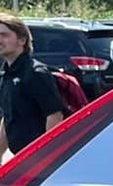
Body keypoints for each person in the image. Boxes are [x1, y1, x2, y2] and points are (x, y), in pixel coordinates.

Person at [0, 13, 67, 160]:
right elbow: (8, 117)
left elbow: (55, 115)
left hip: (40, 159)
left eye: (4, 35)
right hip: (21, 158)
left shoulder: (36, 73)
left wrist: (48, 155)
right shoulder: (6, 74)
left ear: (22, 40)